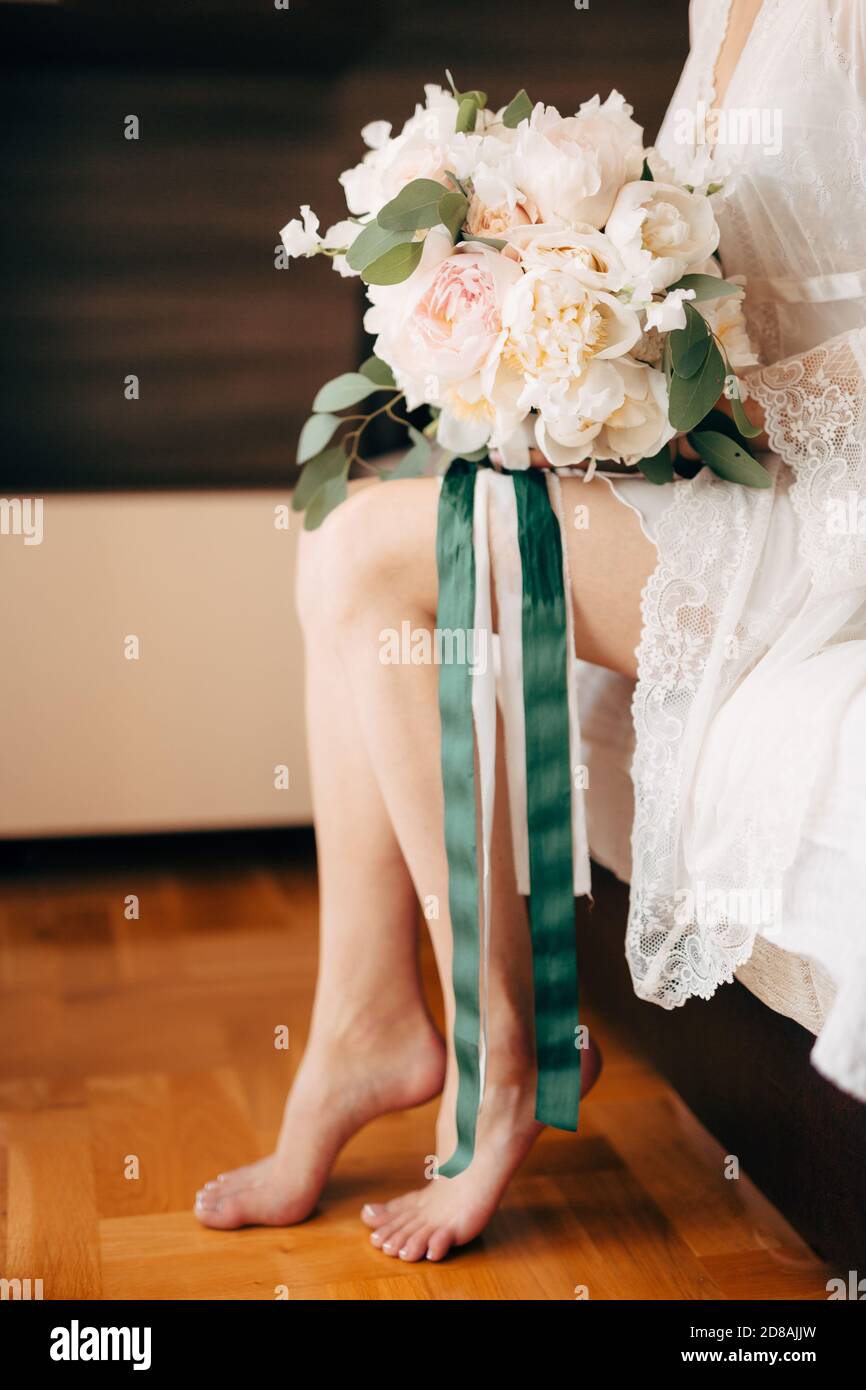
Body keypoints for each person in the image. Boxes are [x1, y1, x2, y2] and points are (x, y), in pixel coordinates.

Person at [195, 0, 866, 1261]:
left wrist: (695, 406)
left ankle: (493, 1044)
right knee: (363, 537)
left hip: (832, 490)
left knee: (373, 559)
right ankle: (368, 1018)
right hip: (729, 462)